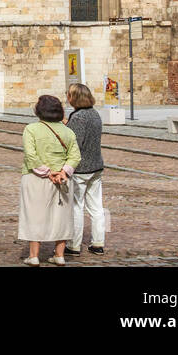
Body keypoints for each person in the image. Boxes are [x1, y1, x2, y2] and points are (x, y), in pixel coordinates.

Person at [19, 94, 81, 266]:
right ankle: (59, 255)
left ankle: (33, 256)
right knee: (61, 216)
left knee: (34, 215)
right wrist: (63, 172)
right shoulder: (68, 131)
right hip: (62, 179)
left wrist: (47, 172)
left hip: (36, 178)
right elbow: (75, 156)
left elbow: (31, 155)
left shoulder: (31, 129)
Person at [65, 83, 106, 256]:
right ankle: (98, 242)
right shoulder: (94, 114)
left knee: (76, 206)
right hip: (96, 166)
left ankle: (74, 245)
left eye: (68, 94)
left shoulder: (79, 117)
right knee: (96, 207)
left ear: (74, 98)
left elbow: (74, 143)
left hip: (81, 169)